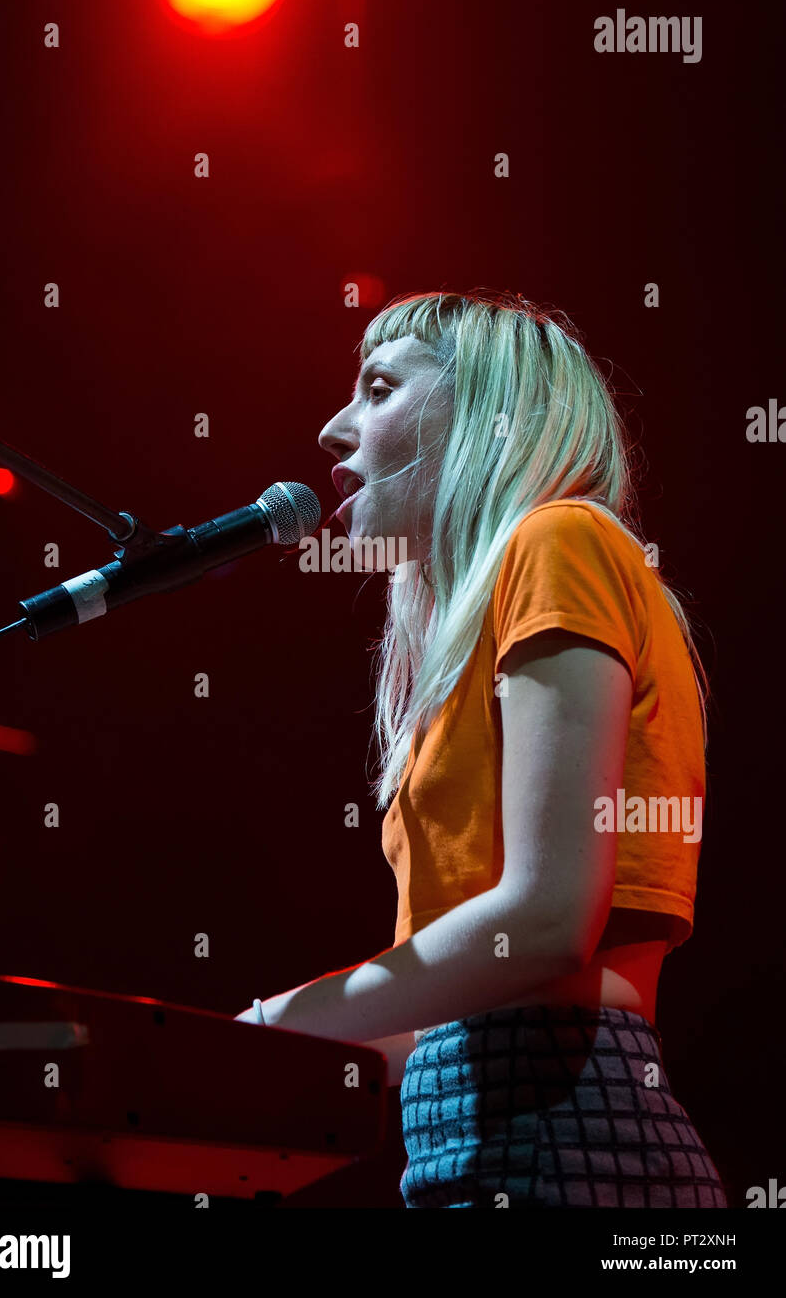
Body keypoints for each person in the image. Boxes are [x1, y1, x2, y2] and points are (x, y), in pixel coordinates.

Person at [236, 290, 727, 1209]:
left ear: (488, 417)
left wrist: (272, 1025)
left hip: (564, 1131)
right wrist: (229, 1059)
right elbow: (445, 1013)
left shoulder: (560, 540)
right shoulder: (471, 633)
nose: (334, 429)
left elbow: (545, 921)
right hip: (486, 1124)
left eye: (378, 388)